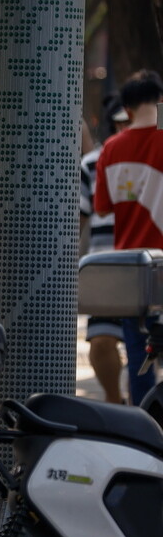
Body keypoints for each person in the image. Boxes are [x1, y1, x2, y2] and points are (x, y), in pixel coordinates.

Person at [93, 69, 163, 405]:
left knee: (139, 359)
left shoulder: (112, 147)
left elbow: (103, 209)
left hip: (131, 268)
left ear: (127, 109)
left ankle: (146, 430)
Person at [81, 95, 130, 403]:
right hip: (108, 267)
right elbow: (80, 216)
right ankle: (117, 404)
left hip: (155, 264)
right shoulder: (93, 164)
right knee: (101, 341)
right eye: (123, 122)